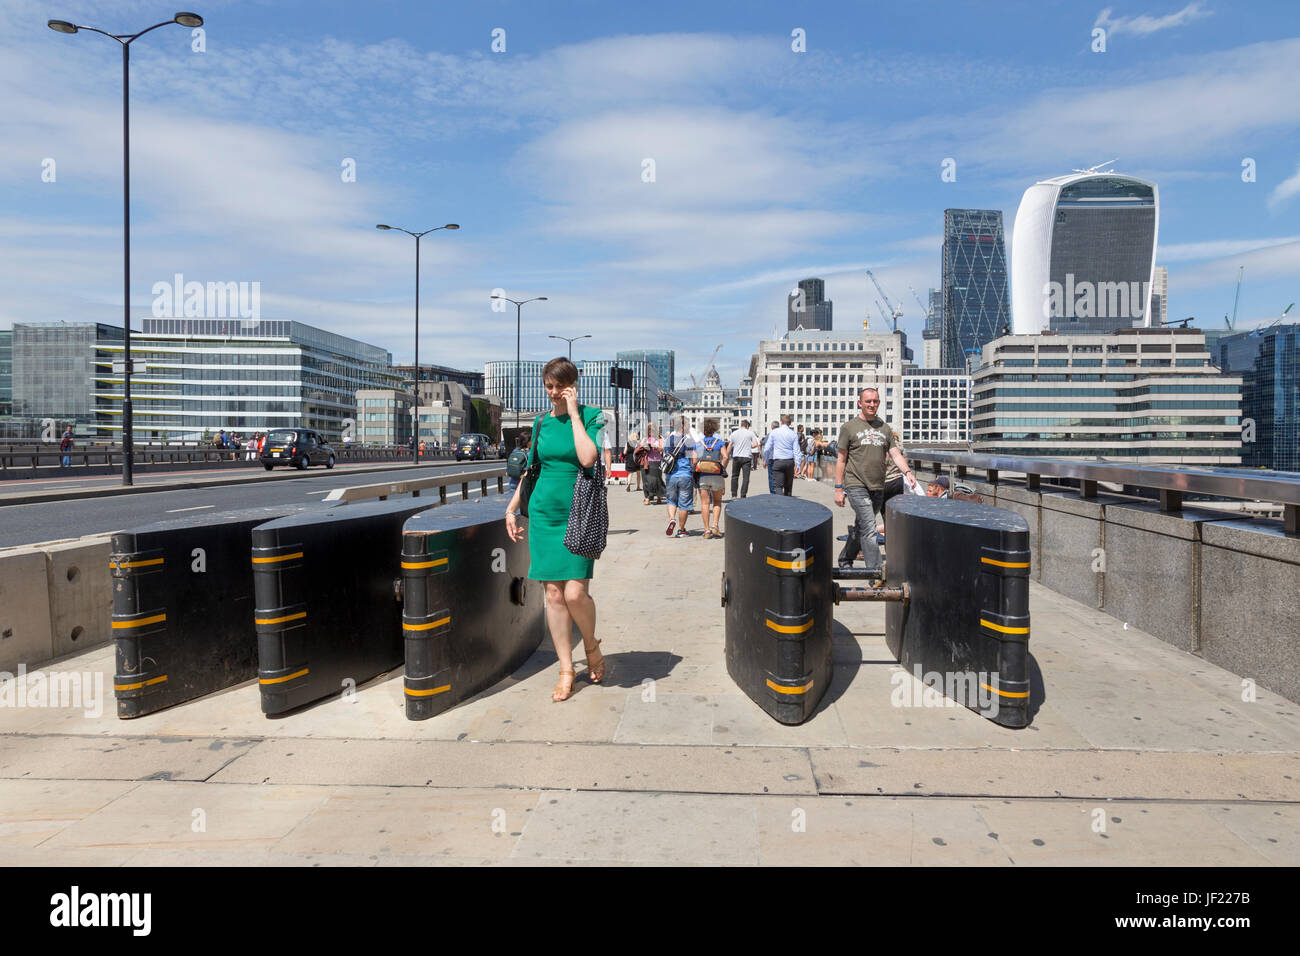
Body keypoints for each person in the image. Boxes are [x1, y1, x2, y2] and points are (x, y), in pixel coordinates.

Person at [504, 357, 606, 703]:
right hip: (544, 514)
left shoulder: (592, 416)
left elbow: (588, 458)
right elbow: (531, 470)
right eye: (548, 386)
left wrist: (575, 414)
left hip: (579, 514)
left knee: (576, 593)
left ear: (573, 385)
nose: (553, 393)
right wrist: (512, 507)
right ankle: (566, 669)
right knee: (553, 595)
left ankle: (590, 646)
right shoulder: (540, 423)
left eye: (559, 386)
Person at [834, 387, 915, 578]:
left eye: (875, 401)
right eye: (868, 401)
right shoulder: (849, 427)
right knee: (870, 528)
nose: (872, 405)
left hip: (878, 486)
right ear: (860, 403)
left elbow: (895, 453)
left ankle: (845, 559)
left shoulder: (884, 428)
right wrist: (838, 488)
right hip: (856, 485)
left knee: (862, 527)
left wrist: (908, 472)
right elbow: (841, 459)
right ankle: (876, 573)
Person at [663, 415, 697, 537]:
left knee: (671, 500)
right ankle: (681, 530)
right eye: (687, 425)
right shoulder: (688, 441)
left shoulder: (668, 440)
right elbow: (694, 458)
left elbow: (665, 455)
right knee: (684, 503)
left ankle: (672, 518)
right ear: (683, 426)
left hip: (670, 475)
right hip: (685, 475)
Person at [694, 418, 729, 538]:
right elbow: (726, 456)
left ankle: (706, 530)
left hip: (703, 476)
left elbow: (694, 460)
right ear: (714, 429)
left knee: (704, 503)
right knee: (717, 501)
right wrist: (722, 468)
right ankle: (715, 526)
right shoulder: (719, 443)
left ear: (703, 431)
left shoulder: (698, 444)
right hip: (716, 475)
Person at [762, 415, 803, 496]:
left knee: (778, 487)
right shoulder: (793, 434)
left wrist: (765, 460)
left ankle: (780, 503)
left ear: (781, 422)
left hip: (778, 461)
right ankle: (788, 503)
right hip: (789, 462)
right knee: (788, 487)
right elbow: (797, 451)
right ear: (790, 423)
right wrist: (798, 465)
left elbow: (767, 448)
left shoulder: (774, 432)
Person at [726, 419, 757, 499]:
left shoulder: (734, 433)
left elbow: (730, 445)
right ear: (747, 426)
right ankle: (743, 495)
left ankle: (734, 495)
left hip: (736, 457)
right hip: (746, 457)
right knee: (746, 477)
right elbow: (755, 444)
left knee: (735, 476)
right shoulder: (750, 433)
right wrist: (749, 446)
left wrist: (726, 455)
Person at [637, 425, 664, 505]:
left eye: (652, 431)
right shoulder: (645, 438)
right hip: (646, 461)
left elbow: (662, 448)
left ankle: (659, 497)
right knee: (646, 480)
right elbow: (640, 446)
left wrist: (655, 446)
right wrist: (644, 446)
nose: (650, 432)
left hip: (656, 461)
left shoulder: (660, 438)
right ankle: (647, 498)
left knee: (657, 480)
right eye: (649, 431)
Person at [505, 429, 532, 497]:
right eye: (531, 440)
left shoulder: (515, 450)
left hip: (512, 483)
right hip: (523, 484)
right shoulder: (529, 453)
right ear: (527, 442)